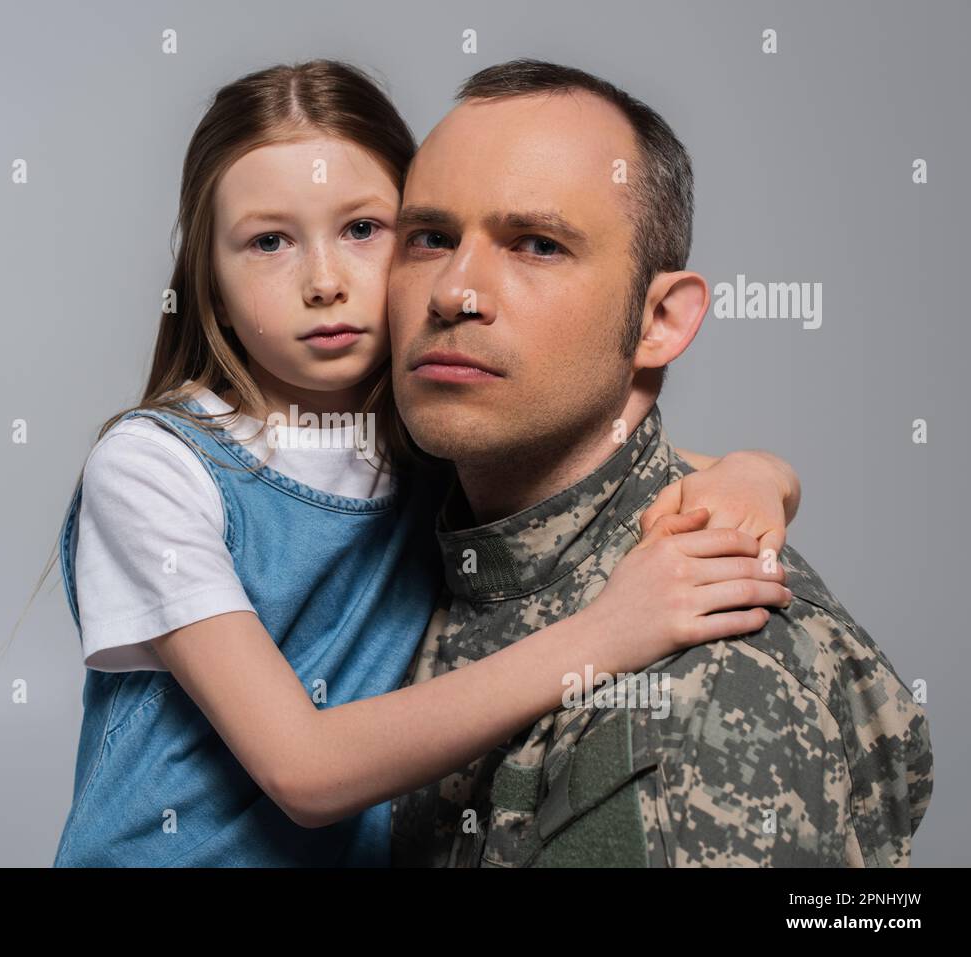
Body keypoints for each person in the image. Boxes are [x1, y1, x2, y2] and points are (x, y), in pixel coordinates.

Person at [22, 60, 804, 867]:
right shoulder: (156, 468)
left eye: (363, 230)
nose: (324, 282)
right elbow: (306, 769)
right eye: (267, 241)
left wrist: (757, 475)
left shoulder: (427, 431)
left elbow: (669, 463)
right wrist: (608, 633)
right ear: (210, 286)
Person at [386, 59, 934, 867]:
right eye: (430, 238)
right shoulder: (392, 534)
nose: (455, 290)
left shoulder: (704, 674)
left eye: (537, 244)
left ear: (661, 322)